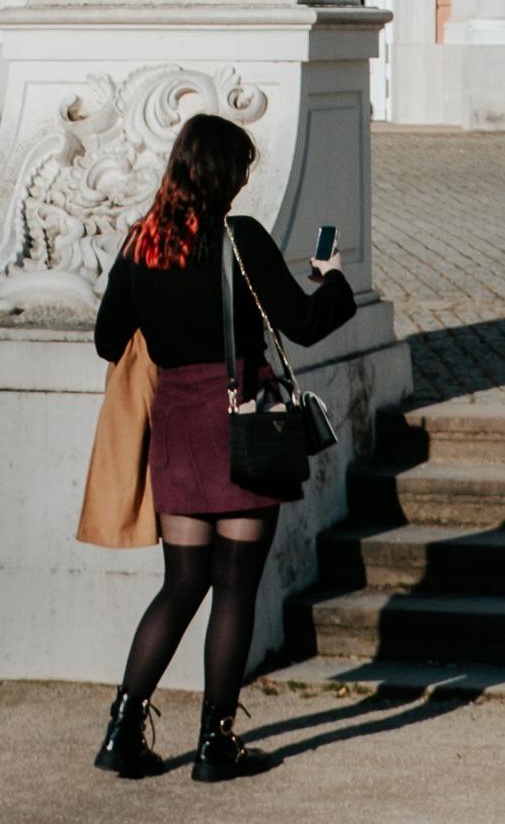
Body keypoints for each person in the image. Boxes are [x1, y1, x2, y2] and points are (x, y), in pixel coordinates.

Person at [88, 112, 356, 783]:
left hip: (176, 426)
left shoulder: (141, 244)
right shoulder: (239, 240)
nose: (243, 182)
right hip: (243, 423)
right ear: (223, 174)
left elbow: (106, 339)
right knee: (234, 589)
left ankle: (123, 728)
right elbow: (303, 322)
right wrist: (331, 276)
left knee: (181, 584)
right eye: (240, 168)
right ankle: (214, 744)